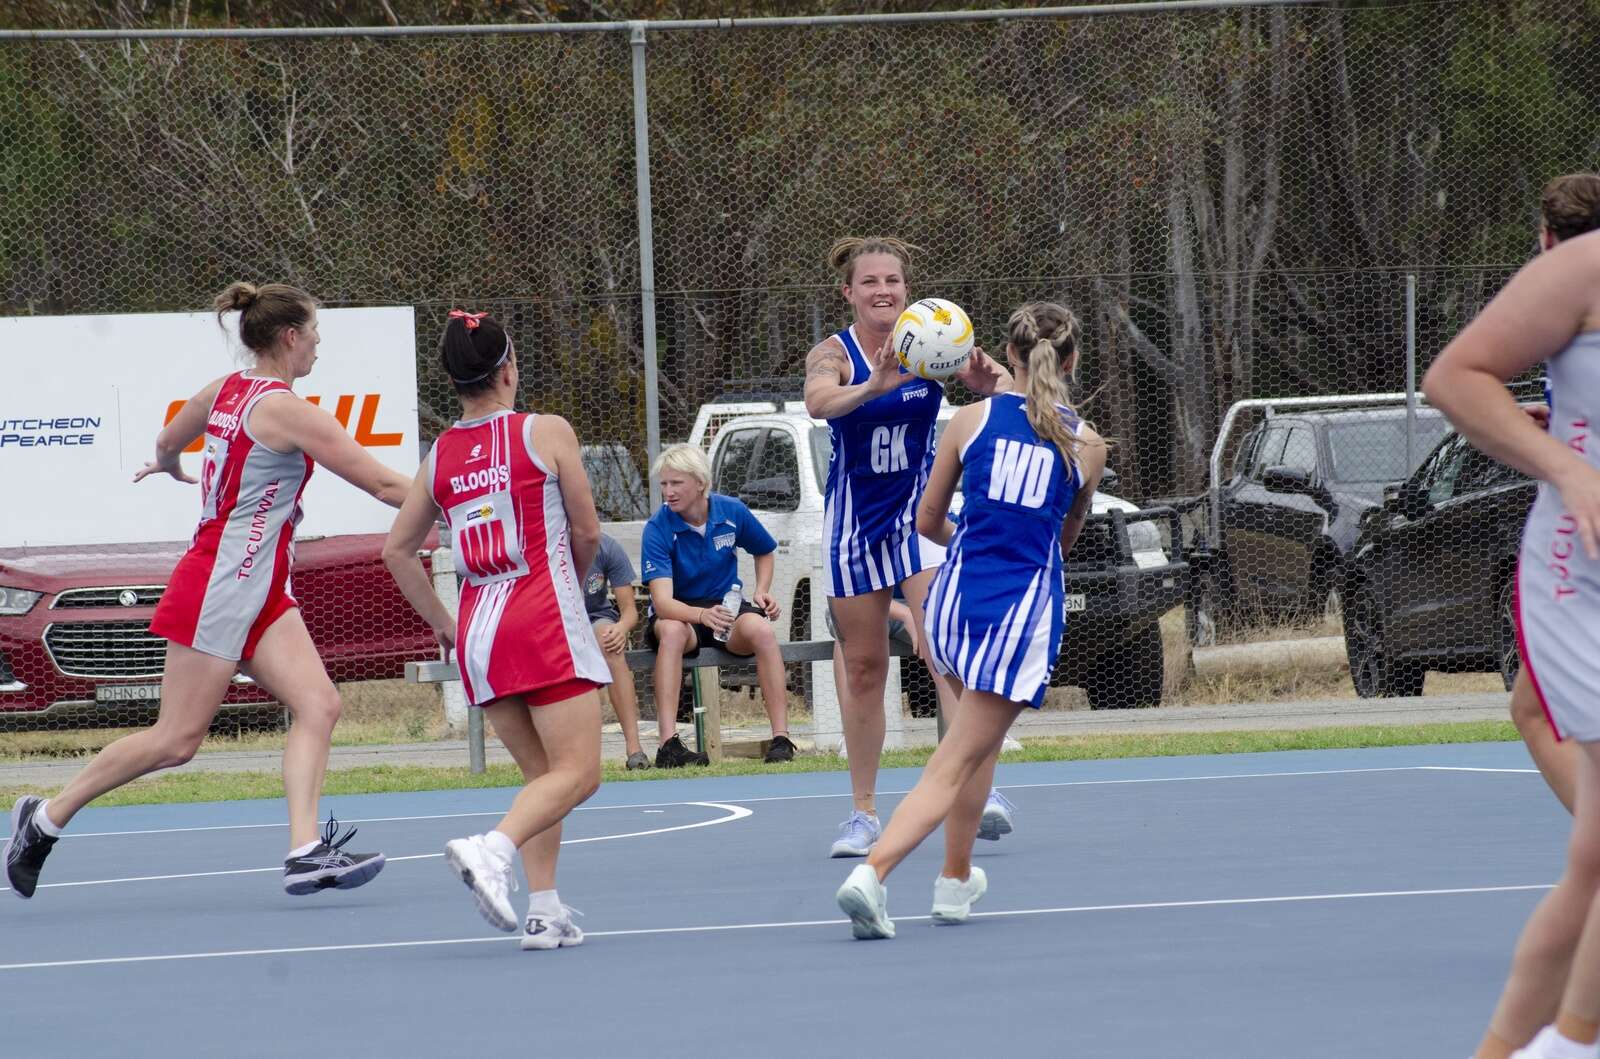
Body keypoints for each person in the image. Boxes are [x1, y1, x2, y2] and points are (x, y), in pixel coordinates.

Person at [3, 282, 408, 901]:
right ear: (289, 337)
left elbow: (169, 439)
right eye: (315, 335)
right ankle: (45, 817)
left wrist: (167, 466)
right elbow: (382, 485)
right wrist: (467, 499)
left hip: (260, 585)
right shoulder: (285, 409)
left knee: (320, 706)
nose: (320, 346)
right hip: (222, 581)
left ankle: (304, 852)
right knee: (177, 741)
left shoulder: (225, 390)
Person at [835, 301, 1105, 940]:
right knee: (954, 760)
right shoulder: (1085, 444)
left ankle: (956, 882)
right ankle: (872, 874)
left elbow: (926, 523)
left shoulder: (970, 420)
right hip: (1015, 615)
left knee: (975, 746)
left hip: (951, 605)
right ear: (1070, 362)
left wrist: (970, 535)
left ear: (1007, 355)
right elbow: (1060, 545)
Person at [1420, 205, 1600, 1055]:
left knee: (1593, 860)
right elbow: (1455, 378)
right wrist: (1567, 461)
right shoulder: (1582, 269)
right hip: (1580, 577)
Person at [382, 309, 607, 950]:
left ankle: (543, 911)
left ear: (455, 381)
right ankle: (492, 848)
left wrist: (446, 625)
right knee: (581, 774)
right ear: (508, 369)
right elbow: (587, 532)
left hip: (482, 631)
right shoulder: (546, 431)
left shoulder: (440, 455)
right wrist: (573, 579)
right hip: (543, 616)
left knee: (544, 779)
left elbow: (397, 551)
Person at [803, 236, 1016, 857]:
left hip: (919, 517)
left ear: (907, 288)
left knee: (945, 652)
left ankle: (980, 788)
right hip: (854, 524)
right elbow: (819, 404)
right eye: (870, 282)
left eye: (893, 281)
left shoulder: (935, 342)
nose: (883, 291)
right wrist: (873, 385)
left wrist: (990, 381)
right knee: (865, 667)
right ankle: (863, 814)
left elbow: (1009, 399)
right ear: (849, 292)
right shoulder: (834, 354)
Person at [1498, 174, 1600, 818]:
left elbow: (1454, 375)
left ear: (1547, 239)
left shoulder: (1565, 297)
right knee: (1534, 707)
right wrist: (1555, 423)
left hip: (1582, 535)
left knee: (1535, 710)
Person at [640, 444, 794, 767]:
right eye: (664, 484)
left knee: (762, 631)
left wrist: (762, 590)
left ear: (700, 482)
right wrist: (699, 615)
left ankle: (781, 739)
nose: (667, 491)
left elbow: (764, 550)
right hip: (683, 614)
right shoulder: (658, 527)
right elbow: (663, 602)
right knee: (671, 631)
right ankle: (668, 745)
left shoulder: (732, 511)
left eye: (676, 483)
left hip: (725, 611)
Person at [585, 531, 650, 770]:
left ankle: (634, 750)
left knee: (609, 642)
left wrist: (621, 628)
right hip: (554, 621)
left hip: (595, 620)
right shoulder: (547, 545)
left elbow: (630, 612)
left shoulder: (607, 547)